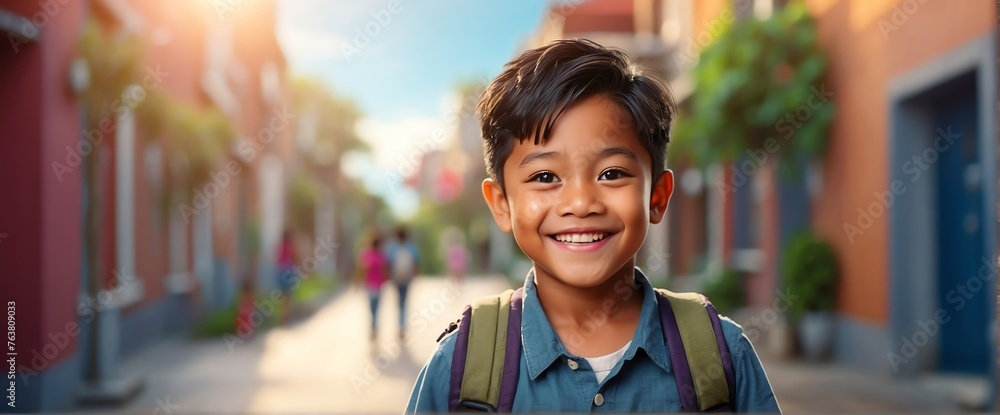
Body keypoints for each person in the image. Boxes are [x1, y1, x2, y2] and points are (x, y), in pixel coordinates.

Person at [406, 39, 780, 412]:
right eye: (545, 176)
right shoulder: (459, 369)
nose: (581, 203)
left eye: (611, 173)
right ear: (501, 205)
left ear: (657, 196)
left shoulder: (723, 359)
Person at [358, 232, 388, 340]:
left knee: (372, 308)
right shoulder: (381, 255)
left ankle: (373, 327)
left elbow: (362, 270)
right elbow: (385, 270)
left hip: (370, 285)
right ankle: (374, 327)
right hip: (378, 285)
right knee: (376, 308)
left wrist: (358, 282)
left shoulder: (366, 255)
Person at [275, 229, 297, 324]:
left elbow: (277, 259)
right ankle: (287, 315)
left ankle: (283, 316)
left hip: (281, 271)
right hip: (288, 271)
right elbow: (295, 257)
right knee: (288, 295)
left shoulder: (280, 246)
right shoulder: (290, 246)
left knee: (283, 296)